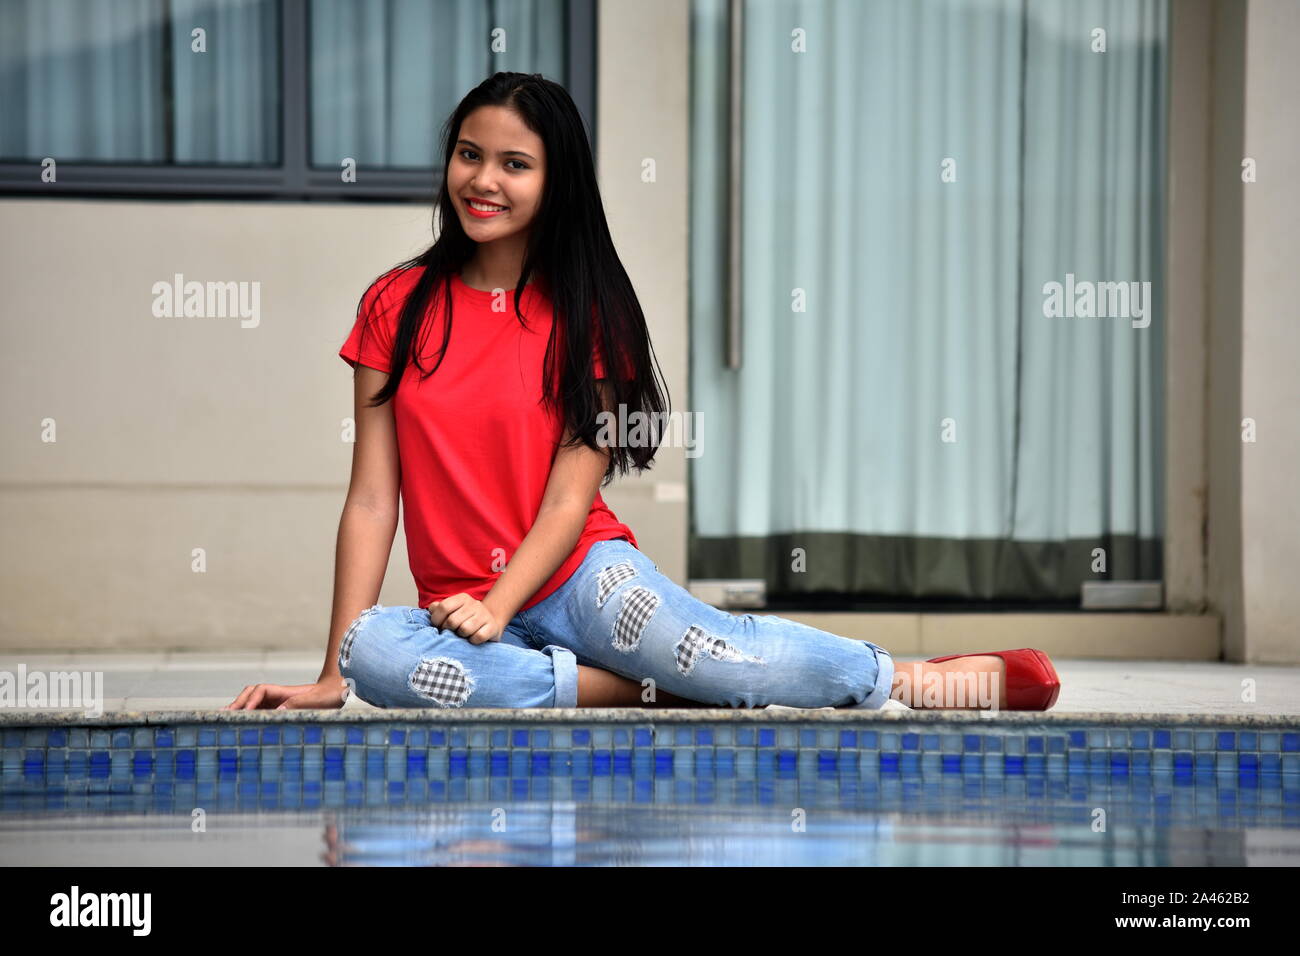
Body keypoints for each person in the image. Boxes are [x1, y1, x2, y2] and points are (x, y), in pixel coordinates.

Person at [226, 72, 1060, 713]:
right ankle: (634, 690)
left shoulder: (593, 315)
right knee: (377, 656)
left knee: (713, 651)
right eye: (470, 154)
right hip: (459, 608)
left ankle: (905, 678)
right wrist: (333, 672)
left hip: (579, 573)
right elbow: (373, 501)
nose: (484, 180)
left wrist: (501, 603)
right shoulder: (394, 306)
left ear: (557, 182)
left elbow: (564, 506)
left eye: (516, 163)